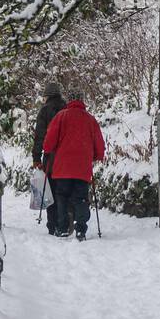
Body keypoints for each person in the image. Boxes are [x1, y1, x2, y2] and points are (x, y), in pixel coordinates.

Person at [41, 90, 106, 240]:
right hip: (82, 168)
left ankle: (63, 228)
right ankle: (80, 229)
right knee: (81, 197)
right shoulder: (90, 120)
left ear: (69, 100)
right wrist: (96, 156)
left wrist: (49, 150)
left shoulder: (60, 117)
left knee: (62, 197)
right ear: (82, 100)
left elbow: (48, 143)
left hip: (62, 168)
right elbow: (99, 146)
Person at [31, 81, 67, 235]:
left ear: (47, 96)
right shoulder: (67, 109)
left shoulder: (44, 111)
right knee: (64, 191)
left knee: (50, 190)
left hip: (50, 157)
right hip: (66, 157)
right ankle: (64, 222)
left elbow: (39, 136)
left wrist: (36, 157)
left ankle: (52, 225)